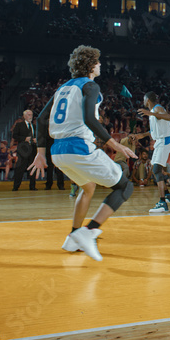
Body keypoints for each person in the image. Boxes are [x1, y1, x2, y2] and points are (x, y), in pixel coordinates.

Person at [28, 45, 137, 261]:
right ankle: (89, 231)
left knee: (87, 187)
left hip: (58, 152)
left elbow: (41, 119)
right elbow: (89, 119)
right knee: (125, 186)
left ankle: (72, 237)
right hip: (78, 148)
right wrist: (115, 145)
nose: (100, 65)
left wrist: (40, 153)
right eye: (97, 61)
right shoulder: (90, 86)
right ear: (90, 65)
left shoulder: (63, 88)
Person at [139, 92, 170, 213]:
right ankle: (167, 195)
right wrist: (141, 135)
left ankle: (162, 203)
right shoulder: (154, 111)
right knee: (154, 167)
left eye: (144, 99)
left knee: (156, 170)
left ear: (148, 100)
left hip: (165, 140)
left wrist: (151, 113)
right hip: (160, 141)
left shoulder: (157, 108)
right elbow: (155, 130)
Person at [11, 109, 37, 191]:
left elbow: (38, 136)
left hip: (33, 149)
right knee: (20, 168)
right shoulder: (19, 125)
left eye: (31, 115)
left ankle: (32, 186)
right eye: (29, 115)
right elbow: (15, 135)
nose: (30, 116)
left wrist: (36, 140)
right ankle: (16, 186)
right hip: (23, 150)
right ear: (24, 116)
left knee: (33, 168)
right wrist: (24, 138)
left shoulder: (34, 126)